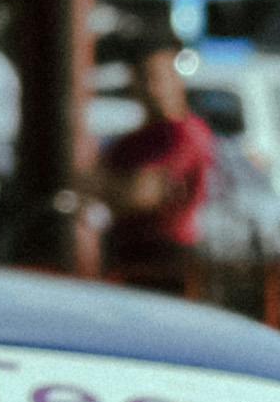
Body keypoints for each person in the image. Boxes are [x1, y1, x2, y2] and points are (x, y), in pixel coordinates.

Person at [85, 41, 219, 294]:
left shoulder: (187, 134)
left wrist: (111, 187)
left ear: (177, 81)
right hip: (123, 256)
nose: (151, 88)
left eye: (157, 77)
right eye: (142, 78)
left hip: (167, 259)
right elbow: (89, 184)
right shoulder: (130, 142)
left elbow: (141, 195)